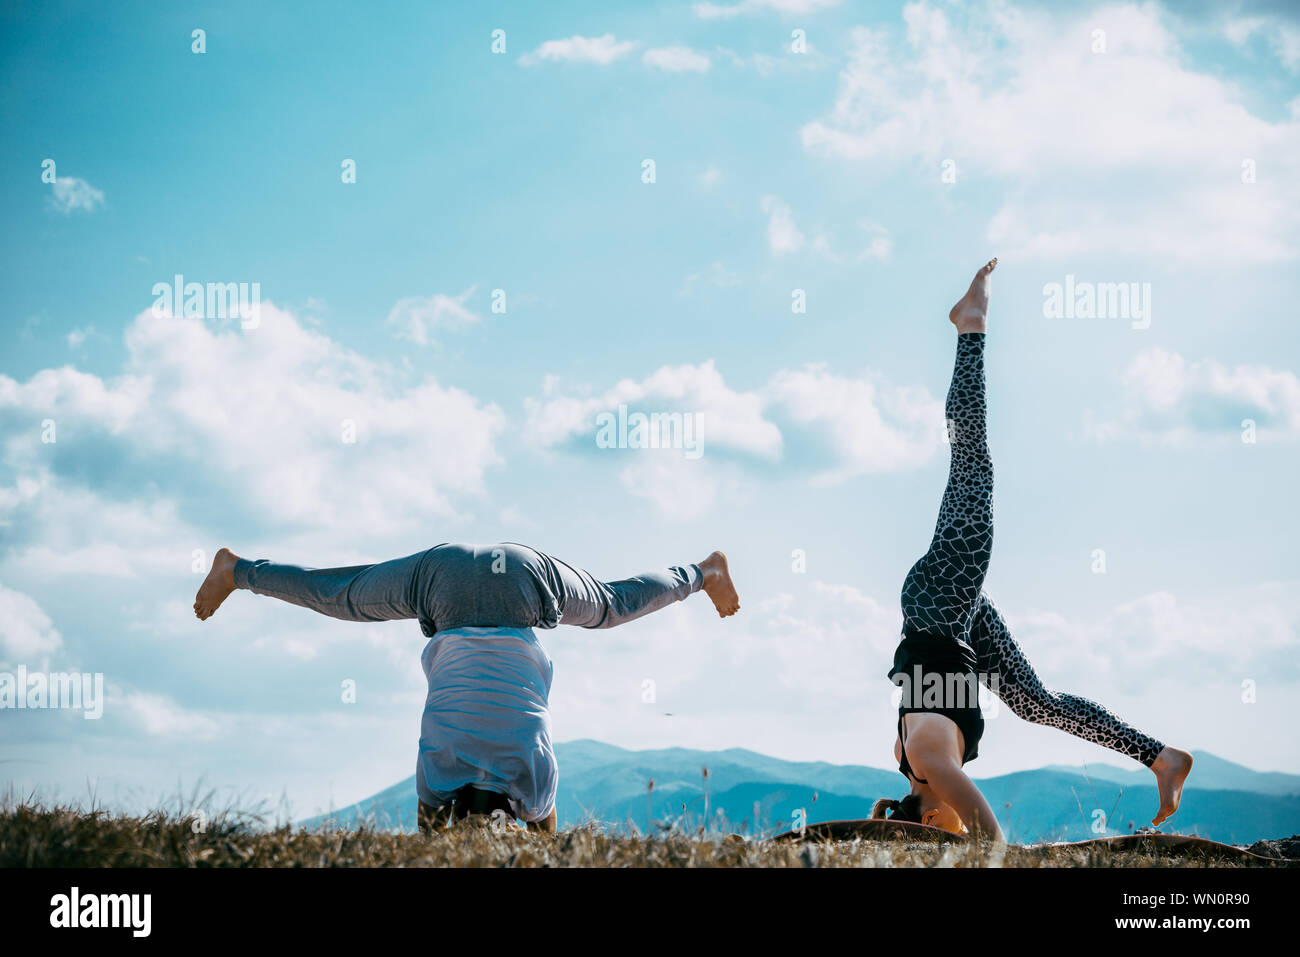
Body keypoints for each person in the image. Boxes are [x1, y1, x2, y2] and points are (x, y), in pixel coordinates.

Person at [873, 259, 1193, 842]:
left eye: (938, 834)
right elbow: (912, 719)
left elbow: (990, 844)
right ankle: (1162, 757)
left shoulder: (930, 762)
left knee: (971, 465)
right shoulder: (910, 758)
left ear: (925, 817)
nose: (952, 835)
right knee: (1036, 703)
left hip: (939, 603)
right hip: (955, 625)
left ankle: (971, 327)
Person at [194, 542, 740, 832]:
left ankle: (702, 571)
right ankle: (237, 569)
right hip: (445, 581)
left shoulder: (534, 777)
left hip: (522, 579)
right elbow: (426, 839)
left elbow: (546, 840)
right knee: (340, 594)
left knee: (614, 604)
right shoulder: (438, 775)